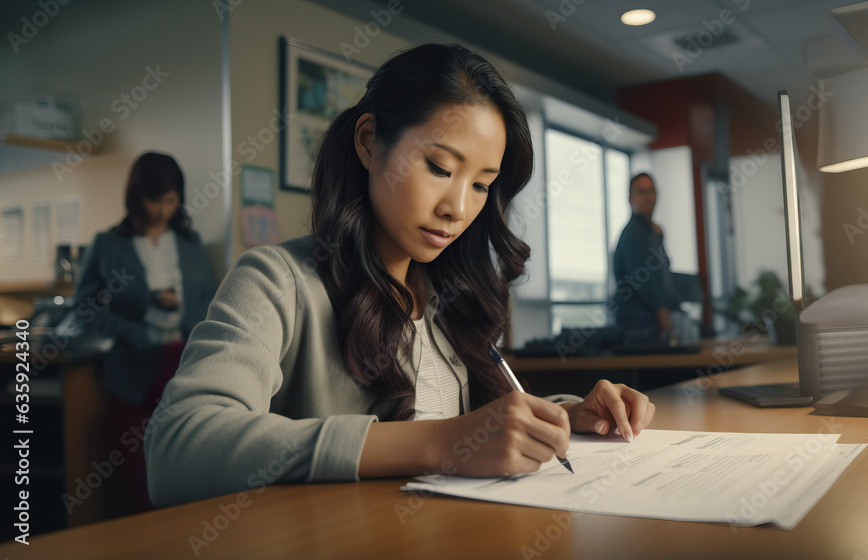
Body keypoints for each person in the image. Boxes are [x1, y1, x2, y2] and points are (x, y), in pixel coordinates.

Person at [144, 43, 656, 507]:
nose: (458, 208)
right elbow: (178, 449)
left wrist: (567, 419)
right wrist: (441, 443)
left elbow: (476, 431)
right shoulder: (277, 281)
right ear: (369, 142)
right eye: (439, 167)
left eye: (481, 185)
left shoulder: (448, 298)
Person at [75, 151, 216, 512]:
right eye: (154, 200)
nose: (161, 210)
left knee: (189, 471)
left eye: (170, 201)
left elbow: (212, 301)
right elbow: (86, 308)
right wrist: (137, 330)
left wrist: (181, 310)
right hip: (133, 372)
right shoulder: (107, 246)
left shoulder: (191, 244)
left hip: (185, 366)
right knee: (139, 481)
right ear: (136, 198)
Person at [612, 172, 684, 338]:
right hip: (637, 324)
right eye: (641, 192)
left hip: (649, 320)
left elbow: (662, 276)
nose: (648, 197)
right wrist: (663, 315)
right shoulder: (634, 233)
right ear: (630, 199)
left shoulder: (651, 232)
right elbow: (645, 282)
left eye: (651, 191)